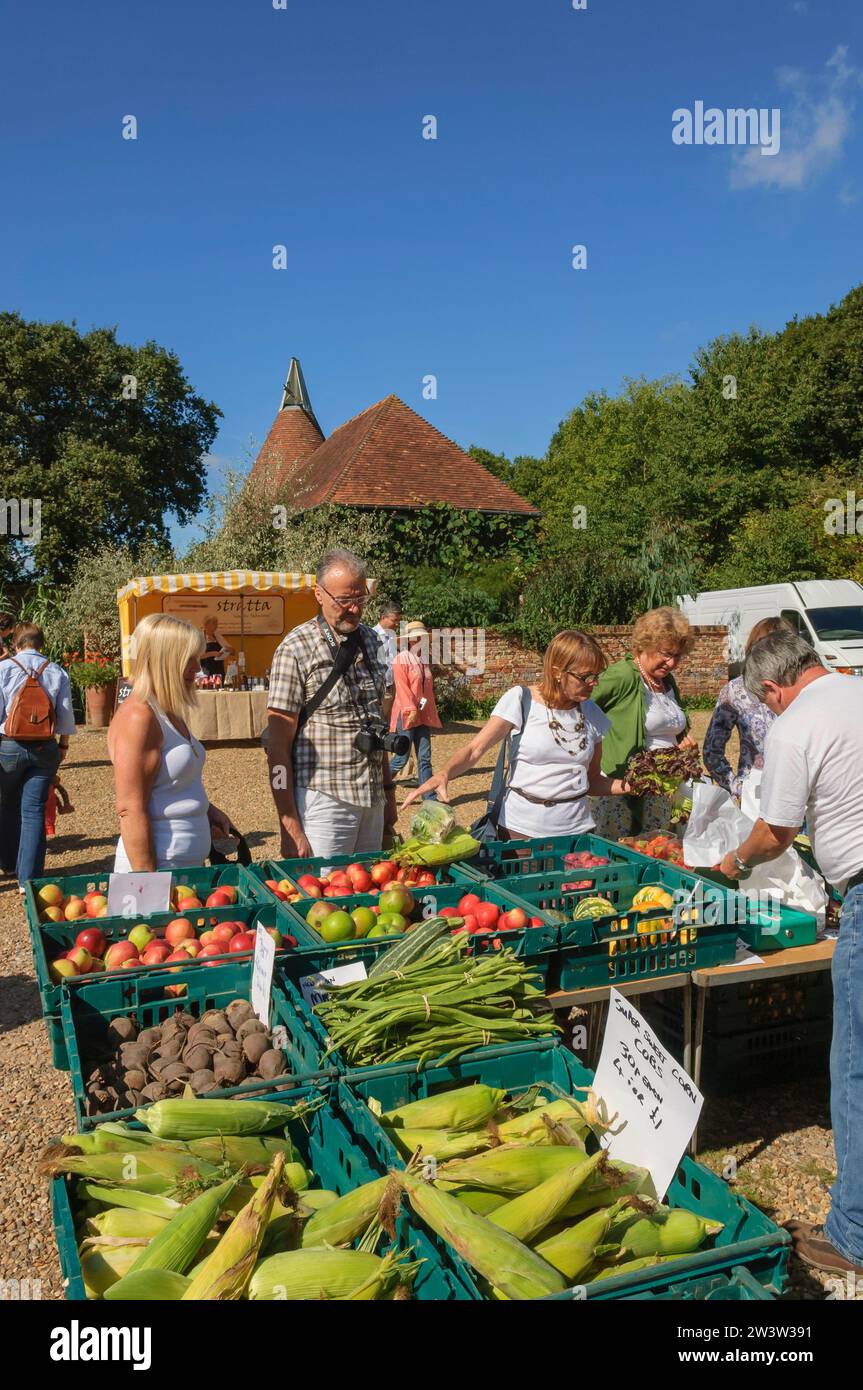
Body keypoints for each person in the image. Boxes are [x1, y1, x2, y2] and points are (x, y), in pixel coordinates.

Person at [717, 631, 863, 1277]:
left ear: (771, 689)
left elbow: (775, 832)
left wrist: (732, 860)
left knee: (854, 1066)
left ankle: (853, 1236)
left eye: (766, 703)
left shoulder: (793, 725)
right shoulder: (857, 694)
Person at [404, 630, 630, 837]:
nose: (594, 683)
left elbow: (592, 781)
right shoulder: (521, 700)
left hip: (577, 832)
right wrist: (445, 773)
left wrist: (633, 786)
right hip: (521, 830)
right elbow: (475, 749)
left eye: (597, 675)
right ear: (557, 672)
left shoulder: (591, 712)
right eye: (586, 676)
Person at [266, 548, 394, 858]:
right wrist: (289, 825)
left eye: (360, 600)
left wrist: (388, 800)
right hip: (324, 801)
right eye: (344, 600)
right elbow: (277, 745)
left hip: (372, 799)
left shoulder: (373, 641)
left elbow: (378, 726)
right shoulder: (296, 648)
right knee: (325, 900)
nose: (354, 608)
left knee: (370, 899)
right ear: (319, 594)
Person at [108, 613, 232, 871]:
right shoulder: (139, 716)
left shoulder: (166, 710)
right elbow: (130, 808)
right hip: (159, 866)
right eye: (189, 659)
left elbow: (169, 784)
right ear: (164, 660)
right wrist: (148, 884)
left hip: (183, 865)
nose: (197, 668)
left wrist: (207, 811)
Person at [590, 606, 697, 838]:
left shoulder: (666, 681)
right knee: (619, 854)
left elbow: (671, 723)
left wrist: (684, 740)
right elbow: (582, 705)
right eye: (666, 653)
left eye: (677, 655)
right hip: (622, 787)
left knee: (657, 851)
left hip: (662, 787)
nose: (671, 663)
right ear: (644, 644)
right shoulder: (623, 675)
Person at [0, 623, 76, 884]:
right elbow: (65, 719)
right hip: (45, 748)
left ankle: (9, 863)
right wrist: (63, 747)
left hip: (8, 746)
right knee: (33, 810)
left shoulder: (4, 668)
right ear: (41, 644)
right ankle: (28, 880)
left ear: (17, 645)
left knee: (6, 803)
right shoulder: (57, 671)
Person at [703, 616, 792, 798]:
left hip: (801, 795)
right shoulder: (736, 690)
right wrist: (738, 788)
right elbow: (712, 750)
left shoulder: (801, 687)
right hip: (757, 797)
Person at [388, 621, 441, 801]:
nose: (419, 640)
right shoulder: (400, 659)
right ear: (409, 640)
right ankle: (378, 789)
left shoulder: (423, 660)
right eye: (416, 638)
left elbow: (426, 690)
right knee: (401, 759)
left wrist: (422, 709)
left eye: (422, 637)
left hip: (422, 714)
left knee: (424, 758)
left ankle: (430, 799)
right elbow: (402, 688)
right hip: (407, 715)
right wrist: (412, 710)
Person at [373, 599, 401, 725]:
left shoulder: (393, 636)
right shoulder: (371, 635)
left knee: (389, 724)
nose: (397, 624)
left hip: (392, 686)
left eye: (398, 621)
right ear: (383, 617)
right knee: (379, 723)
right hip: (379, 689)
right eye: (394, 620)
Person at [200, 616, 236, 681]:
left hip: (219, 671)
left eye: (216, 623)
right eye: (214, 623)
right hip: (205, 672)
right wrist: (212, 654)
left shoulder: (218, 636)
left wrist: (229, 649)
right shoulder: (200, 637)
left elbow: (233, 652)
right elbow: (196, 656)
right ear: (206, 625)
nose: (216, 626)